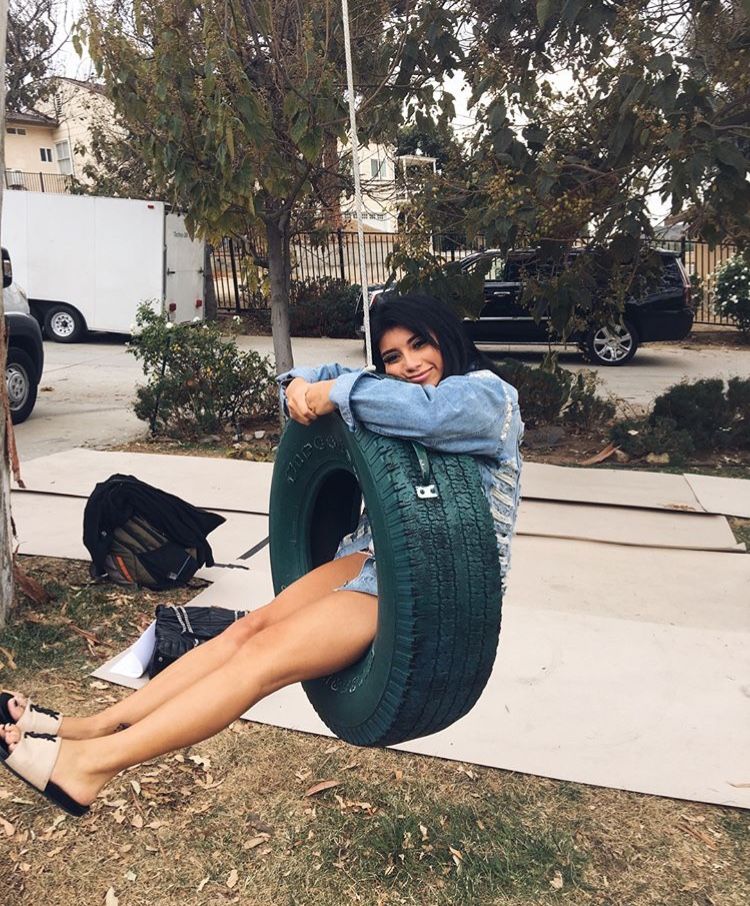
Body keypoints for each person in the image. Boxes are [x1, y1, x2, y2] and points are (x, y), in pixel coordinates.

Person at [0, 294, 524, 817]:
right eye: (392, 356)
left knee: (261, 660)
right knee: (245, 631)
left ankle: (91, 767)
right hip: (372, 557)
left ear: (446, 337)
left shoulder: (489, 399)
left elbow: (430, 414)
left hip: (432, 583)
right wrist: (299, 386)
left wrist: (333, 392)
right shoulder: (385, 388)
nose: (408, 364)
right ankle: (92, 727)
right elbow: (312, 382)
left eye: (419, 344)